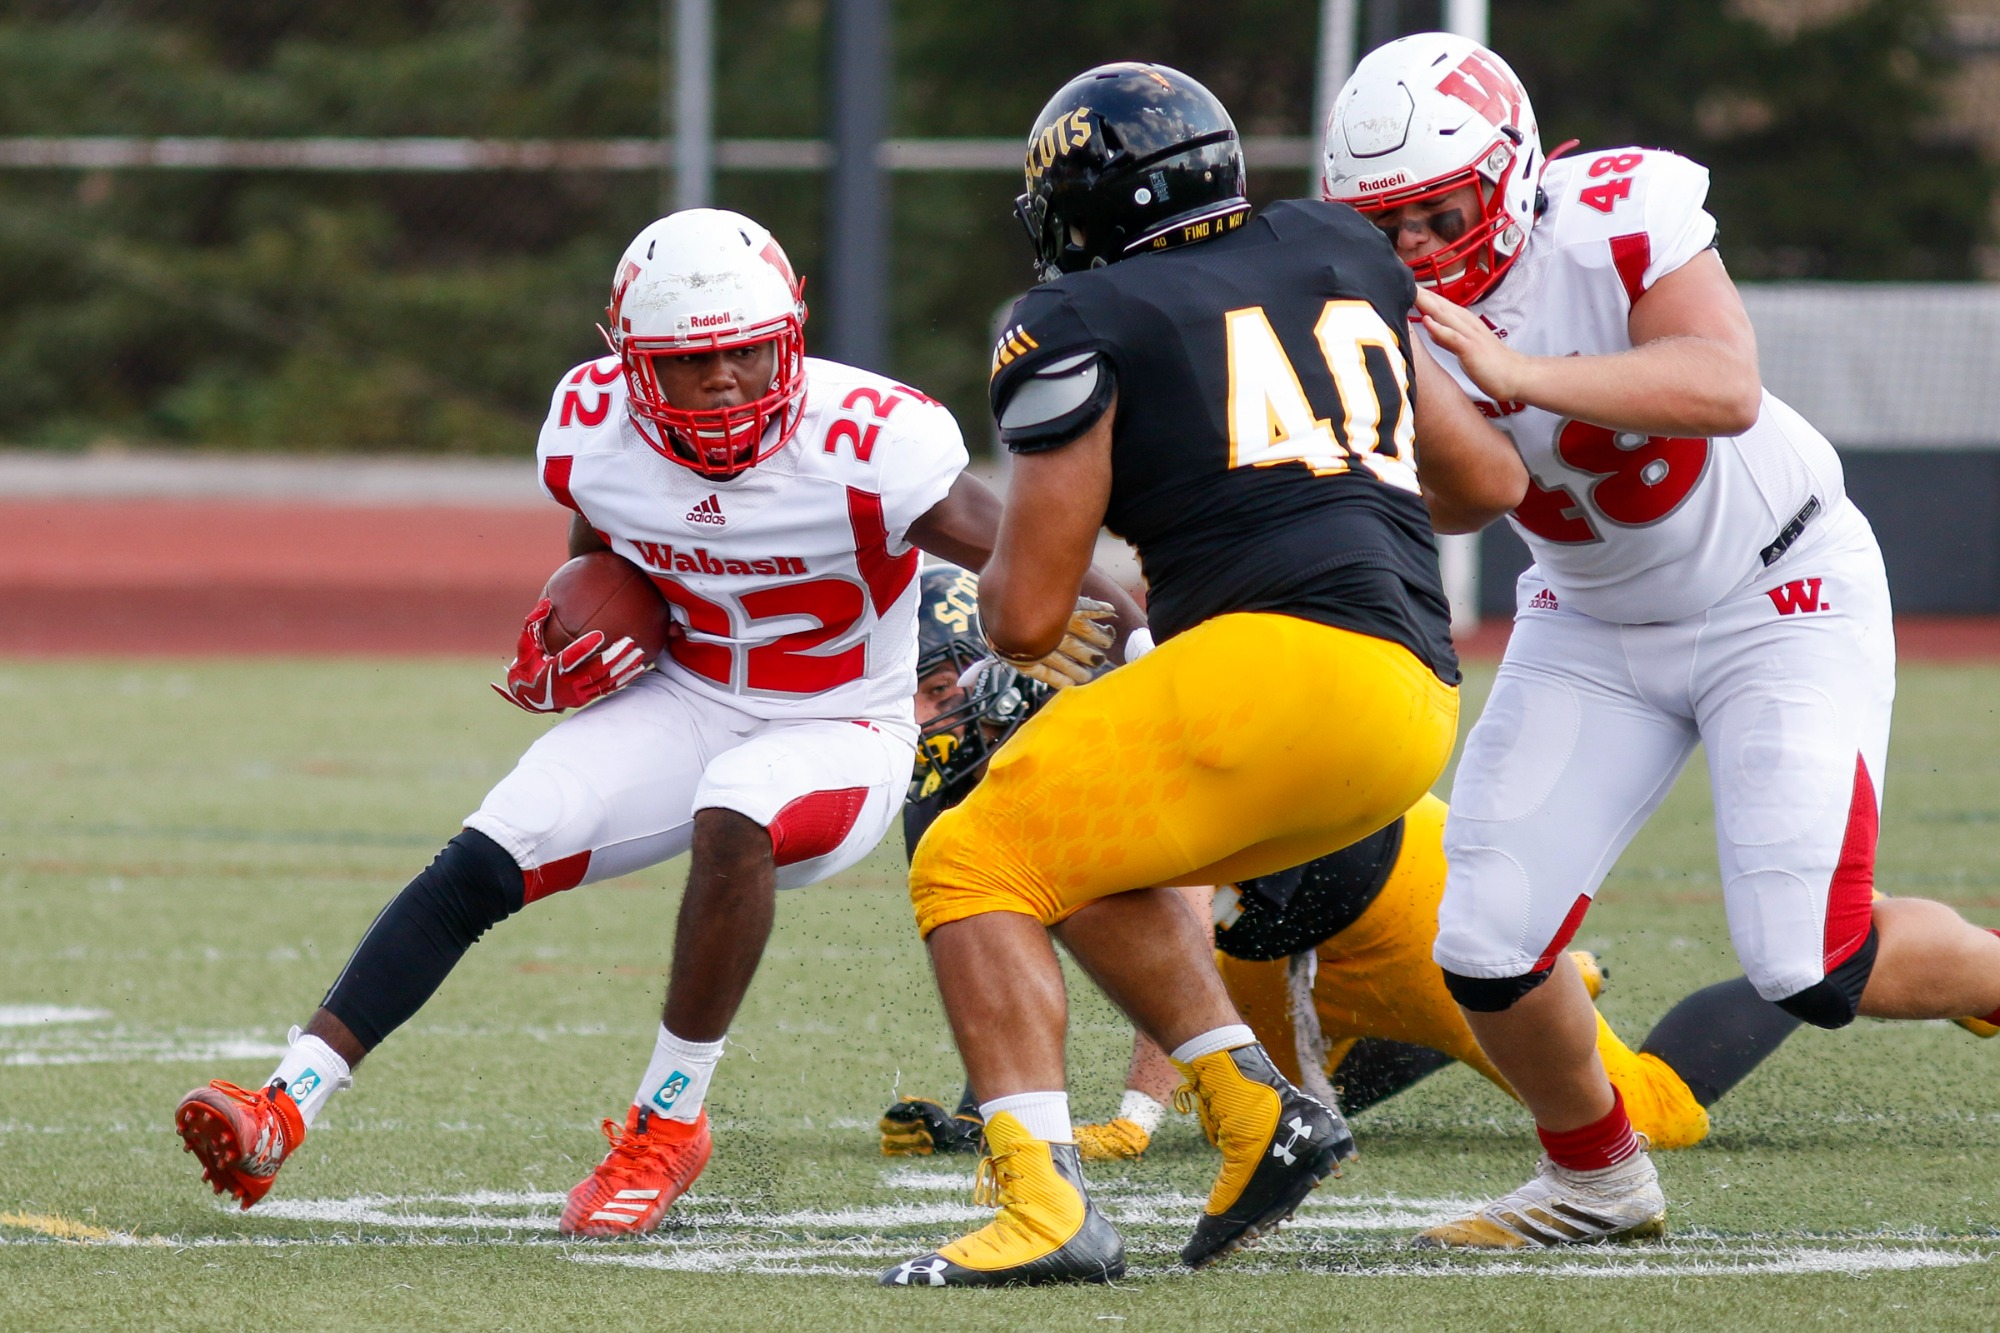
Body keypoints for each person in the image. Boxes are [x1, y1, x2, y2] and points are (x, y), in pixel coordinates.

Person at [170, 207, 1141, 1237]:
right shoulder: (594, 431)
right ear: (633, 366)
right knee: (498, 839)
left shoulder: (865, 440)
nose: (723, 380)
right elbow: (605, 551)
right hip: (684, 698)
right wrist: (579, 629)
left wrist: (1144, 642)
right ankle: (285, 1104)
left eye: (744, 353)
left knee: (739, 805)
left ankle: (666, 1123)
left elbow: (1033, 553)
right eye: (692, 361)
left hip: (839, 725)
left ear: (790, 339)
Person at [1324, 32, 2000, 1250]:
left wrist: (1515, 368)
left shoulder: (1611, 216)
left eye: (1439, 209)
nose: (1416, 246)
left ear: (1513, 169)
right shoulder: (1361, 309)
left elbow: (1719, 384)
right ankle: (1594, 1181)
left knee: (1811, 962)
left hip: (1776, 591)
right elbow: (1474, 495)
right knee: (1481, 940)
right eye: (1386, 224)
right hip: (1588, 615)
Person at [881, 63, 1527, 1289]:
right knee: (1073, 850)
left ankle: (1039, 1202)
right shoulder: (1339, 249)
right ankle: (1250, 1108)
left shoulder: (1072, 319)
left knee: (963, 856)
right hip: (1411, 701)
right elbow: (1486, 484)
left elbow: (1021, 613)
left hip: (1269, 674)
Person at [879, 569, 1796, 1164]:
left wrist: (1134, 1112)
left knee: (1647, 1117)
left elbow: (1176, 906)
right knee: (1250, 1112)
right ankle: (1532, 1000)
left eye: (934, 687)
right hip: (1266, 941)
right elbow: (1001, 941)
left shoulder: (1108, 708)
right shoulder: (947, 790)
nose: (921, 716)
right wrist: (987, 1110)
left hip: (1395, 905)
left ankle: (1823, 947)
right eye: (904, 693)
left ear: (1002, 667)